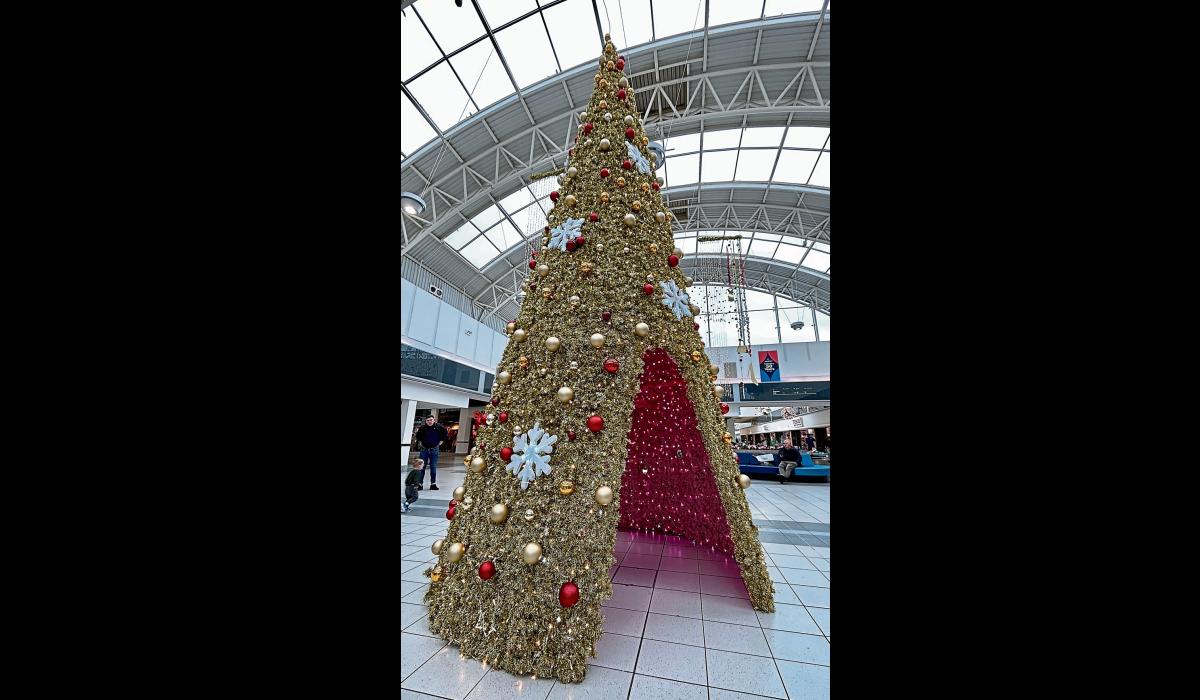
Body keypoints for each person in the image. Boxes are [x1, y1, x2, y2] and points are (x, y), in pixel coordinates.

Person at [413, 415, 447, 490]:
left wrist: (442, 440)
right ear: (426, 421)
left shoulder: (439, 427)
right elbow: (418, 436)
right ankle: (420, 484)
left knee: (433, 467)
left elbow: (445, 432)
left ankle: (433, 484)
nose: (429, 421)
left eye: (431, 420)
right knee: (421, 466)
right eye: (428, 420)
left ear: (434, 420)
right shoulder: (422, 428)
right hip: (424, 449)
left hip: (434, 449)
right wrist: (421, 442)